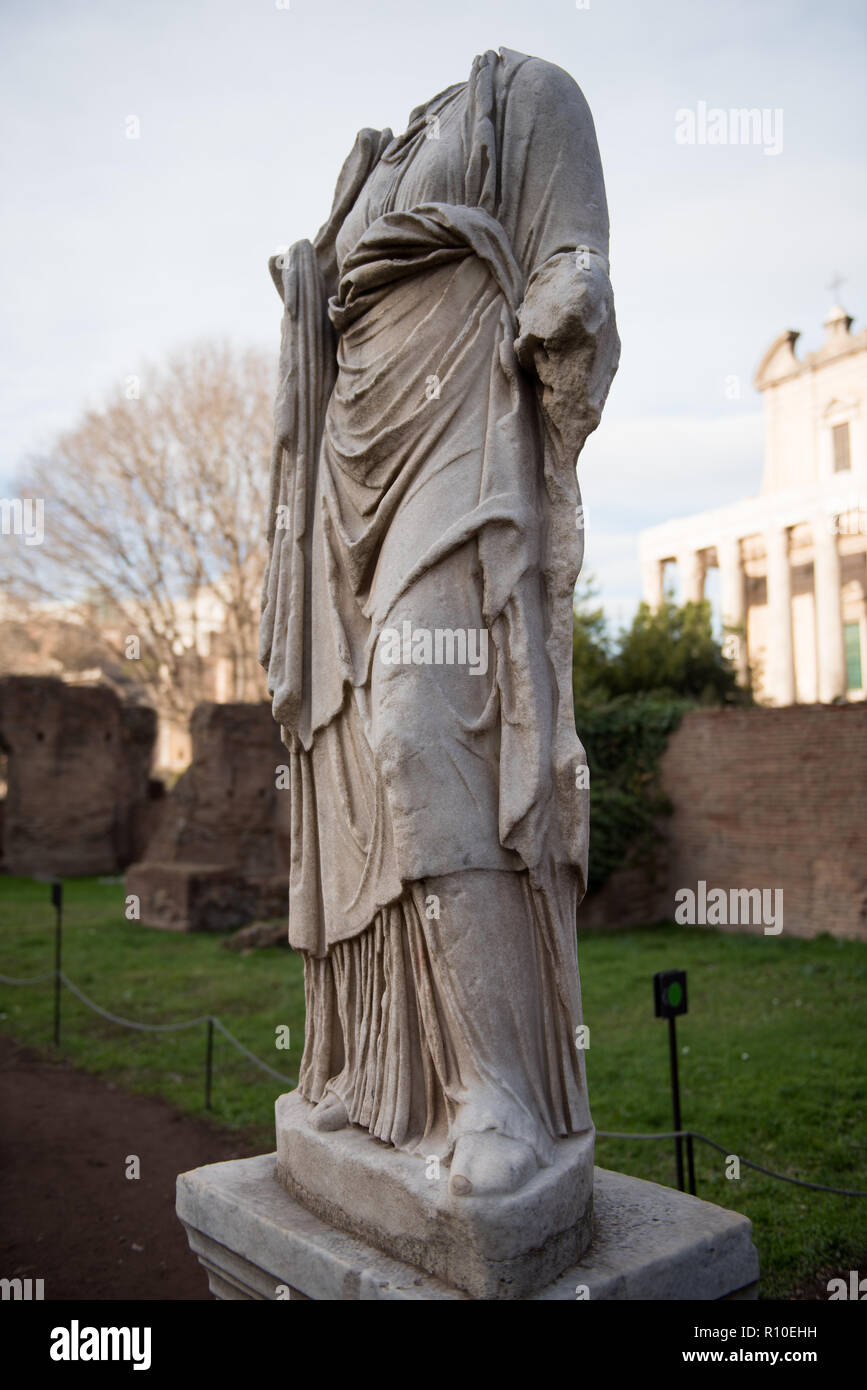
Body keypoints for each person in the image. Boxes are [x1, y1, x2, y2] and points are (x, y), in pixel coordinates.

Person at [259, 47, 619, 1197]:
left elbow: (573, 250)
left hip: (458, 421)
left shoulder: (527, 97)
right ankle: (378, 1071)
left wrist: (576, 298)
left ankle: (498, 1086)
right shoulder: (366, 157)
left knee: (424, 727)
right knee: (356, 762)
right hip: (347, 464)